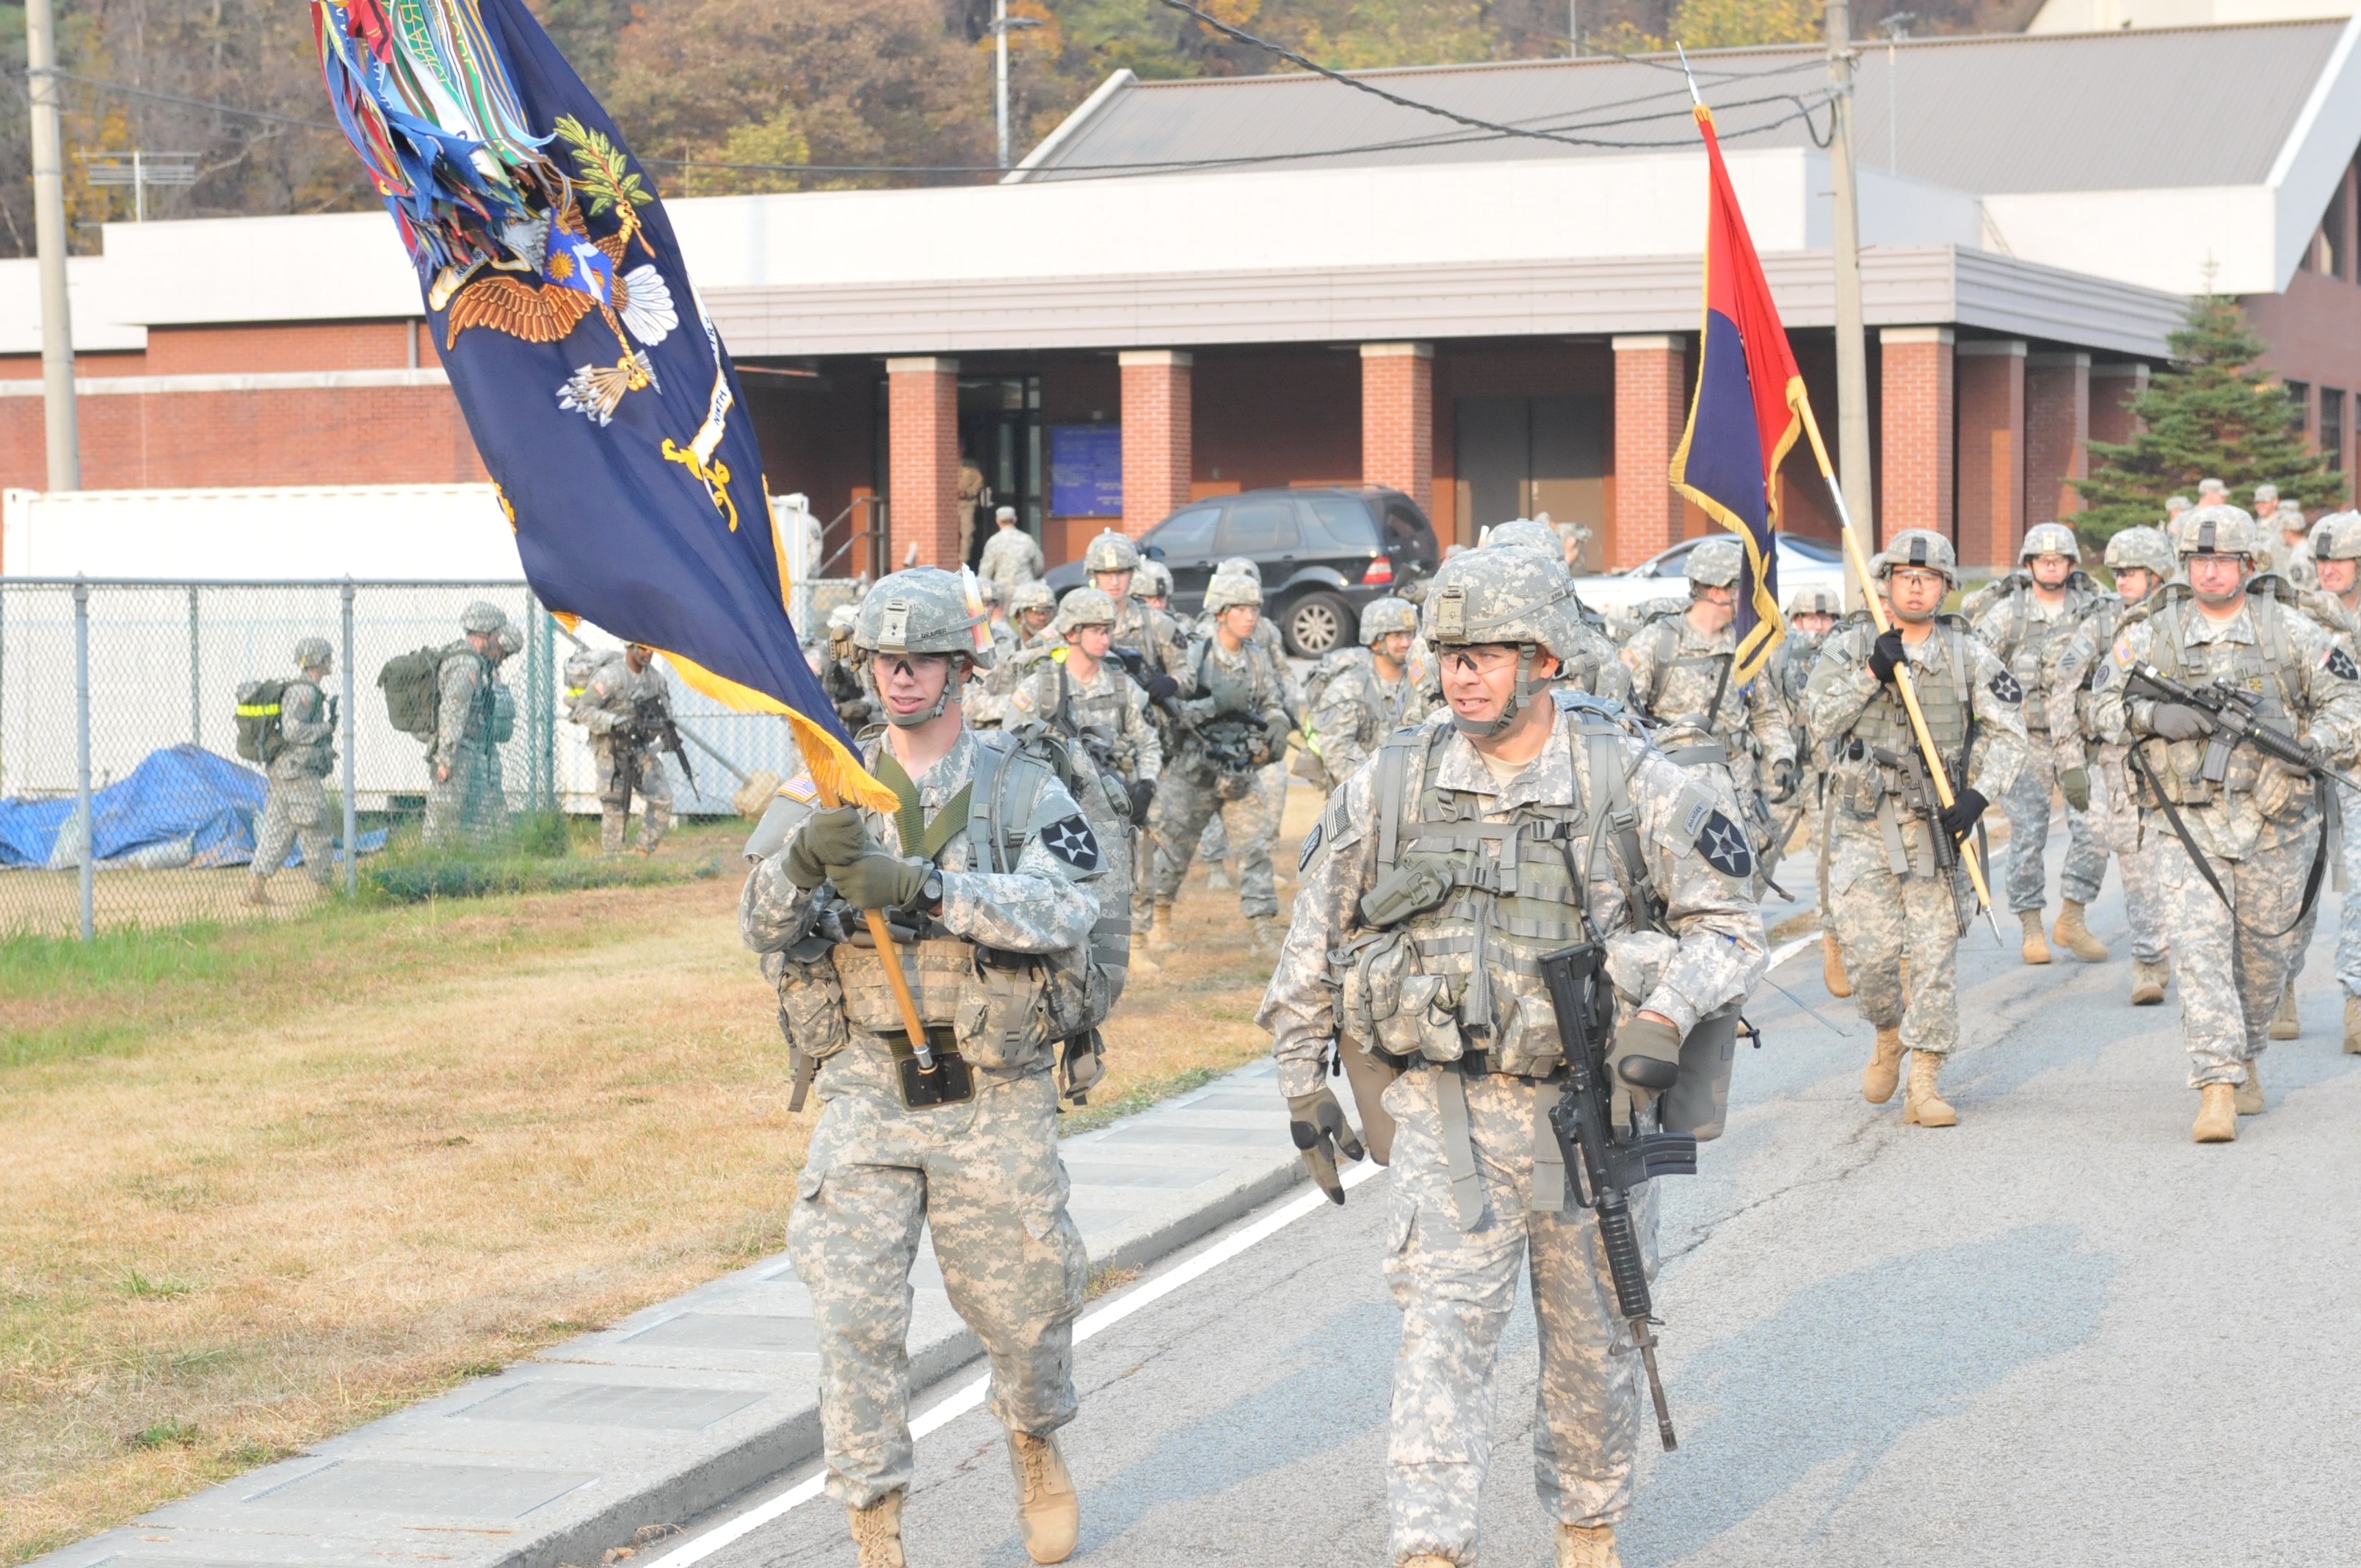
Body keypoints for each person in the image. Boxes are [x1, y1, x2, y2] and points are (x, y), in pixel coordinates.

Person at [1256, 543, 1766, 1568]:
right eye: (1451, 655)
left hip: (1589, 1119)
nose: (1463, 675)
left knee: (1592, 1350)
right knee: (1439, 1340)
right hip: (1445, 1111)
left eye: (1487, 654)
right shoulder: (1393, 783)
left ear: (1545, 661)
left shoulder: (1633, 781)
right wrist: (1302, 1084)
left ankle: (1587, 1526)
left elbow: (1734, 930)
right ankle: (1430, 1549)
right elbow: (1313, 938)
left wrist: (1662, 1015)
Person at [740, 567, 1101, 1567]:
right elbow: (759, 928)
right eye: (886, 662)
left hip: (992, 1084)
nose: (901, 679)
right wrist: (799, 865)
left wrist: (930, 886)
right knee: (854, 1317)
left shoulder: (1023, 786)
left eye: (921, 662)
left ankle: (1035, 1443)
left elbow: (1067, 907)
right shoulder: (834, 786)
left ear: (959, 670)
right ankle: (875, 1525)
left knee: (1026, 1311)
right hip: (866, 1086)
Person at [2090, 505, 2361, 1141]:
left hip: (2279, 822)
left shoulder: (2289, 630)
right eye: (2200, 562)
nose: (2211, 573)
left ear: (2247, 565)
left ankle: (2249, 1051)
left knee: (2268, 958)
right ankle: (2216, 1083)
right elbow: (2100, 700)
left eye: (2224, 561)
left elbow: (2348, 700)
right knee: (2201, 949)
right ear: (2185, 567)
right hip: (2189, 821)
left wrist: (2311, 751)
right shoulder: (2153, 634)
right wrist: (2152, 720)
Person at [1806, 529, 2028, 1128]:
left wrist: (1980, 795)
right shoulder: (1853, 644)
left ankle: (1925, 1079)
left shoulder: (1968, 653)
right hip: (1861, 823)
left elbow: (2011, 731)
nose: (1915, 585)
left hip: (1935, 824)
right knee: (1872, 962)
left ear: (1946, 588)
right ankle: (1888, 1032)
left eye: (1928, 578)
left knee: (1933, 956)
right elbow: (1817, 718)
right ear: (1885, 581)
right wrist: (1872, 674)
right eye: (1905, 575)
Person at [1617, 537, 1796, 896]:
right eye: (1741, 589)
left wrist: (1781, 757)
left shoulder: (1746, 645)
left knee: (1751, 866)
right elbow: (1623, 714)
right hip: (1673, 781)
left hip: (1736, 782)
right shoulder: (1656, 642)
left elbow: (1766, 713)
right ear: (1717, 590)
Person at [2045, 526, 2177, 1006]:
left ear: (2157, 575)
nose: (2121, 581)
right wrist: (2071, 763)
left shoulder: (2180, 622)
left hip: (2175, 757)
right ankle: (2146, 958)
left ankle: (2160, 951)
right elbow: (2063, 690)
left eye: (2133, 573)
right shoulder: (2101, 624)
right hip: (2115, 757)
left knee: (2167, 864)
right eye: (2118, 572)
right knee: (2124, 848)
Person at [1968, 523, 2111, 965]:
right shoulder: (2008, 613)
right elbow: (1975, 663)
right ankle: (2032, 927)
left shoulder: (2092, 609)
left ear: (2071, 565)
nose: (2051, 565)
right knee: (2027, 835)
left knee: (2095, 829)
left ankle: (2072, 916)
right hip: (2024, 741)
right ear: (2029, 565)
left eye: (2059, 559)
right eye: (2042, 559)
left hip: (2078, 741)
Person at [1009, 586, 1161, 976]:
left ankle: (1135, 943)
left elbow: (1148, 741)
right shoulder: (1044, 686)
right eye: (1095, 629)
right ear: (1072, 633)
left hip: (1115, 800)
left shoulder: (1123, 687)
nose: (1104, 638)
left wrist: (1147, 783)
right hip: (1060, 805)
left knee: (1132, 874)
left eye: (1108, 629)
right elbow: (1011, 742)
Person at [1147, 570, 1294, 955]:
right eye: (1242, 609)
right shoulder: (1196, 653)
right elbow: (1170, 711)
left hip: (1239, 770)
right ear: (1221, 612)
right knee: (1172, 850)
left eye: (1255, 609)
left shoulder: (1257, 658)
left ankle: (1262, 931)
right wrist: (1215, 705)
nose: (1250, 617)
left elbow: (1272, 702)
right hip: (1193, 768)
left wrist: (1278, 724)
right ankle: (1158, 923)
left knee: (1254, 851)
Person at [2296, 511, 2361, 1053]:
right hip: (2306, 766)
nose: (2328, 569)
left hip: (2358, 770)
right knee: (2298, 883)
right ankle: (2281, 984)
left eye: (2338, 559)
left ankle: (2356, 1000)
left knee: (2360, 886)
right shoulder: (2302, 617)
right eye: (2321, 559)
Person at [1772, 587, 1845, 993]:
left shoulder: (1844, 660)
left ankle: (1832, 944)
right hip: (1779, 774)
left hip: (1823, 775)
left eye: (1825, 619)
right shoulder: (1775, 655)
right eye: (1806, 620)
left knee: (1828, 863)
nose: (1816, 628)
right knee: (1753, 860)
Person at [1296, 595, 1427, 793]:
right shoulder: (1349, 687)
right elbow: (1338, 750)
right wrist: (1382, 789)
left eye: (1410, 634)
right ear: (1375, 642)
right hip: (1365, 795)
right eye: (1397, 636)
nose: (1407, 643)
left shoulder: (1421, 680)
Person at [244, 637, 338, 905]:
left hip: (284, 771)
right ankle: (325, 890)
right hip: (298, 772)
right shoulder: (305, 693)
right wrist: (326, 728)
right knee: (316, 826)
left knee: (279, 831)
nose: (330, 662)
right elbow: (293, 730)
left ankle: (256, 886)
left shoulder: (305, 690)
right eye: (327, 658)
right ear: (317, 661)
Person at [570, 641, 676, 855]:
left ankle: (642, 853)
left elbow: (666, 714)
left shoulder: (655, 680)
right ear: (631, 648)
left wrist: (661, 729)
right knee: (615, 805)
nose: (648, 654)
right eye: (643, 649)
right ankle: (614, 860)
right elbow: (582, 711)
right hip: (610, 749)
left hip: (639, 747)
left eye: (651, 649)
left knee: (662, 797)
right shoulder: (610, 677)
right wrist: (614, 721)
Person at [422, 600, 512, 846]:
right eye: (497, 633)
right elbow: (453, 710)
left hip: (467, 748)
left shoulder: (475, 660)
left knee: (475, 818)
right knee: (444, 815)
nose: (499, 639)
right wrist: (446, 760)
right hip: (456, 751)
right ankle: (432, 868)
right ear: (485, 633)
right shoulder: (466, 664)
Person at [821, 604, 875, 730]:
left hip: (859, 727)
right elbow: (807, 704)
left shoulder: (863, 656)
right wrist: (838, 709)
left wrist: (865, 705)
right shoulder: (820, 657)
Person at [979, 506, 1045, 605]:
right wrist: (1034, 576)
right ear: (1014, 520)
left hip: (1002, 591)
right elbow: (1039, 565)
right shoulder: (1027, 539)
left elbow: (985, 571)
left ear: (998, 521)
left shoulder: (994, 542)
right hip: (1025, 589)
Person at [2274, 498, 2314, 587]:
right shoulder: (2310, 547)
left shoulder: (2298, 556)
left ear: (2288, 532)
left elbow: (2296, 588)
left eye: (2283, 531)